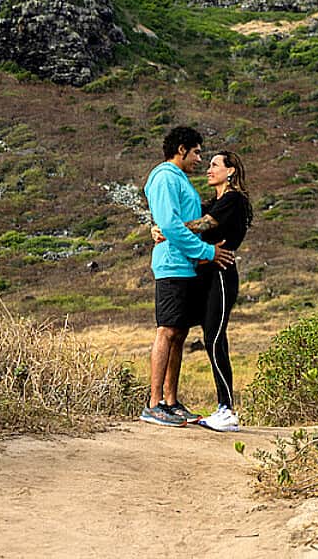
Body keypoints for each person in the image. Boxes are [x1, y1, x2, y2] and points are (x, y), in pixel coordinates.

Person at [140, 126, 234, 428]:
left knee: (179, 333)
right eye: (196, 152)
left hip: (185, 267)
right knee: (167, 331)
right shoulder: (165, 177)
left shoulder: (179, 179)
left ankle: (171, 401)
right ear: (181, 150)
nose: (199, 159)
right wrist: (207, 252)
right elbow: (169, 224)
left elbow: (186, 222)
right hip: (172, 265)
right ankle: (154, 403)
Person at [189, 151, 252, 432]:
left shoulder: (233, 200)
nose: (209, 169)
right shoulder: (213, 202)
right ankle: (222, 408)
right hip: (205, 275)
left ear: (230, 171)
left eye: (215, 165)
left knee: (214, 337)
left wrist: (169, 231)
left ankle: (227, 409)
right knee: (212, 337)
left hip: (222, 274)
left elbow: (205, 225)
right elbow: (194, 222)